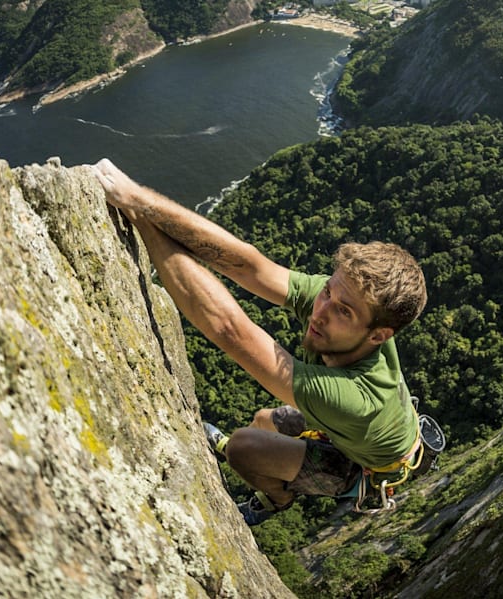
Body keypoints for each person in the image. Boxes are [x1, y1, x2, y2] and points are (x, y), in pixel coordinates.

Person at [92, 159, 427, 525]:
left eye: (343, 312)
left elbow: (230, 329)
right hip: (355, 428)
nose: (320, 312)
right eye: (327, 291)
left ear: (378, 335)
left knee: (242, 448)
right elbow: (249, 266)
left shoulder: (356, 399)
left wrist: (139, 217)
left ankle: (276, 499)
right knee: (263, 420)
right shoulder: (349, 301)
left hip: (363, 466)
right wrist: (140, 199)